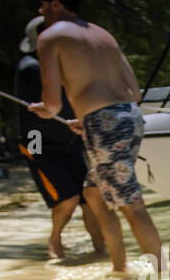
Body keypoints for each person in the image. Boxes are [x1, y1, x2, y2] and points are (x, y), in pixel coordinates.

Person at [27, 0, 163, 276]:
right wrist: (91, 119)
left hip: (106, 123)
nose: (40, 11)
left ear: (57, 4)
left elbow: (52, 105)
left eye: (42, 3)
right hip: (128, 117)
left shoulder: (50, 37)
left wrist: (45, 111)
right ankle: (119, 269)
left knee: (130, 204)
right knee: (92, 194)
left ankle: (162, 274)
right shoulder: (102, 34)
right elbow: (135, 92)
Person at [15, 14, 104, 262]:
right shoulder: (30, 68)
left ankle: (102, 252)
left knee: (89, 197)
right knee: (68, 198)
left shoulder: (64, 65)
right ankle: (55, 241)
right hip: (37, 140)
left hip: (68, 139)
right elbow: (53, 106)